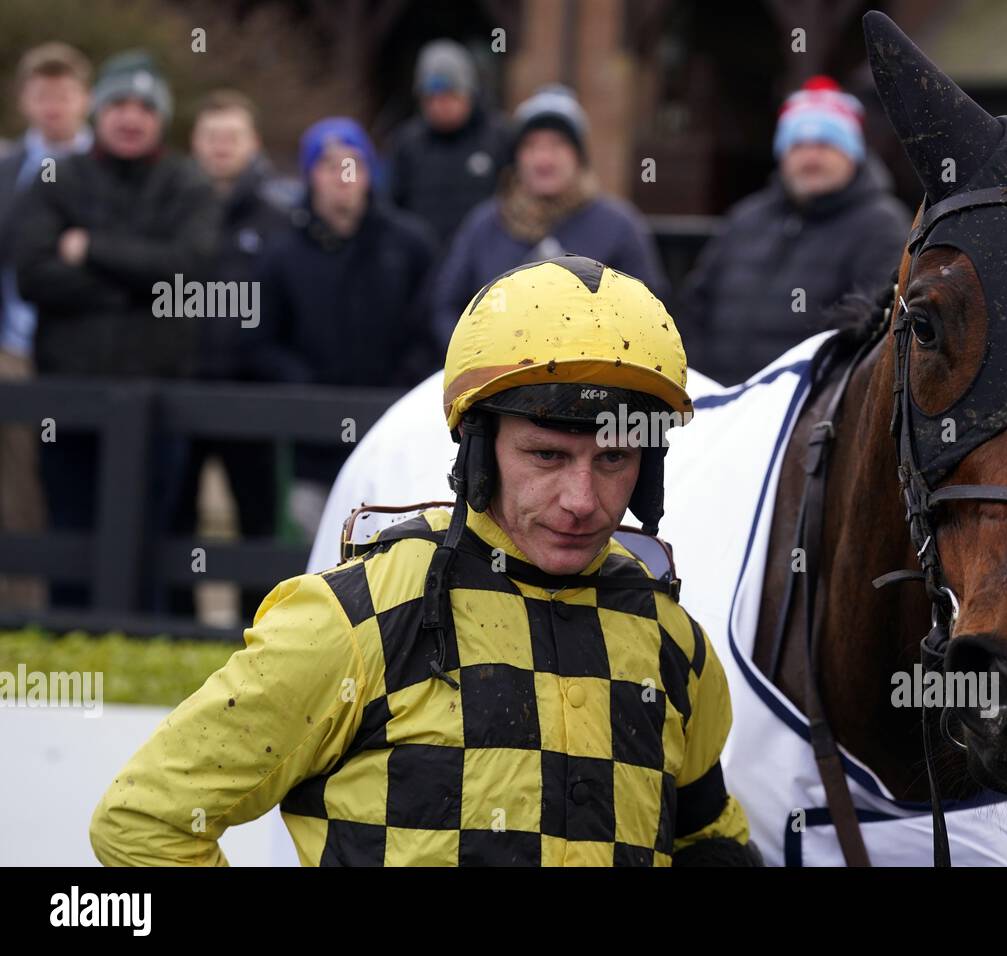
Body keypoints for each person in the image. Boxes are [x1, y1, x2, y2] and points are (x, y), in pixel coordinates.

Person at [89, 255, 760, 867]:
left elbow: (710, 845)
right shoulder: (356, 619)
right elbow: (143, 821)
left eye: (613, 459)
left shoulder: (674, 642)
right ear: (477, 447)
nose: (582, 501)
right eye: (547, 456)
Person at [14, 50, 220, 607]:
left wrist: (91, 250)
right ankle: (70, 645)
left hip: (160, 401)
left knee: (150, 535)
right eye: (119, 104)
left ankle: (141, 642)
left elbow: (190, 270)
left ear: (160, 117)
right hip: (69, 400)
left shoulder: (188, 184)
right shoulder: (57, 179)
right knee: (70, 529)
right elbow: (32, 273)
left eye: (144, 106)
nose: (131, 116)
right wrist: (137, 285)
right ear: (99, 112)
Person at [245, 117, 438, 537]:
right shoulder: (281, 254)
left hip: (392, 438)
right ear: (310, 174)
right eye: (330, 165)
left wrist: (396, 390)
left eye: (354, 164)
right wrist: (307, 387)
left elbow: (430, 331)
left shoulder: (409, 245)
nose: (343, 177)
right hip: (313, 449)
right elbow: (260, 341)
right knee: (319, 561)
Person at [677, 76, 910, 385]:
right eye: (798, 145)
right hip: (719, 408)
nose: (810, 157)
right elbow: (694, 308)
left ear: (852, 152)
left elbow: (875, 335)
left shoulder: (882, 226)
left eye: (826, 144)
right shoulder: (745, 219)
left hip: (810, 415)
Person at [170, 90, 289, 615]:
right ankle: (168, 626)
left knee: (257, 519)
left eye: (231, 136)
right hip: (179, 389)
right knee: (173, 515)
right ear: (195, 143)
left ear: (253, 143)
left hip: (251, 394)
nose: (221, 147)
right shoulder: (171, 209)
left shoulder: (277, 218)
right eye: (211, 136)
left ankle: (257, 628)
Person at [434, 84, 666, 352]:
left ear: (578, 157)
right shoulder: (483, 225)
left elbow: (650, 313)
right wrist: (475, 355)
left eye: (557, 146)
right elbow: (445, 306)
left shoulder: (620, 227)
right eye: (531, 147)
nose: (543, 159)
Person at [0, 42, 93, 610]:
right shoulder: (8, 169)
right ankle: (19, 604)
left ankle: (68, 606)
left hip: (75, 350)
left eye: (63, 94)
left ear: (83, 99)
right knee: (12, 481)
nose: (53, 106)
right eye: (41, 94)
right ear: (23, 100)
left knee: (63, 477)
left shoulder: (103, 166)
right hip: (9, 347)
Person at [387, 39, 509, 259]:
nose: (438, 106)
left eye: (448, 95)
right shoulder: (407, 143)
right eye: (430, 97)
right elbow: (393, 208)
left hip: (483, 264)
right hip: (423, 264)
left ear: (468, 93)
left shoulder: (498, 138)